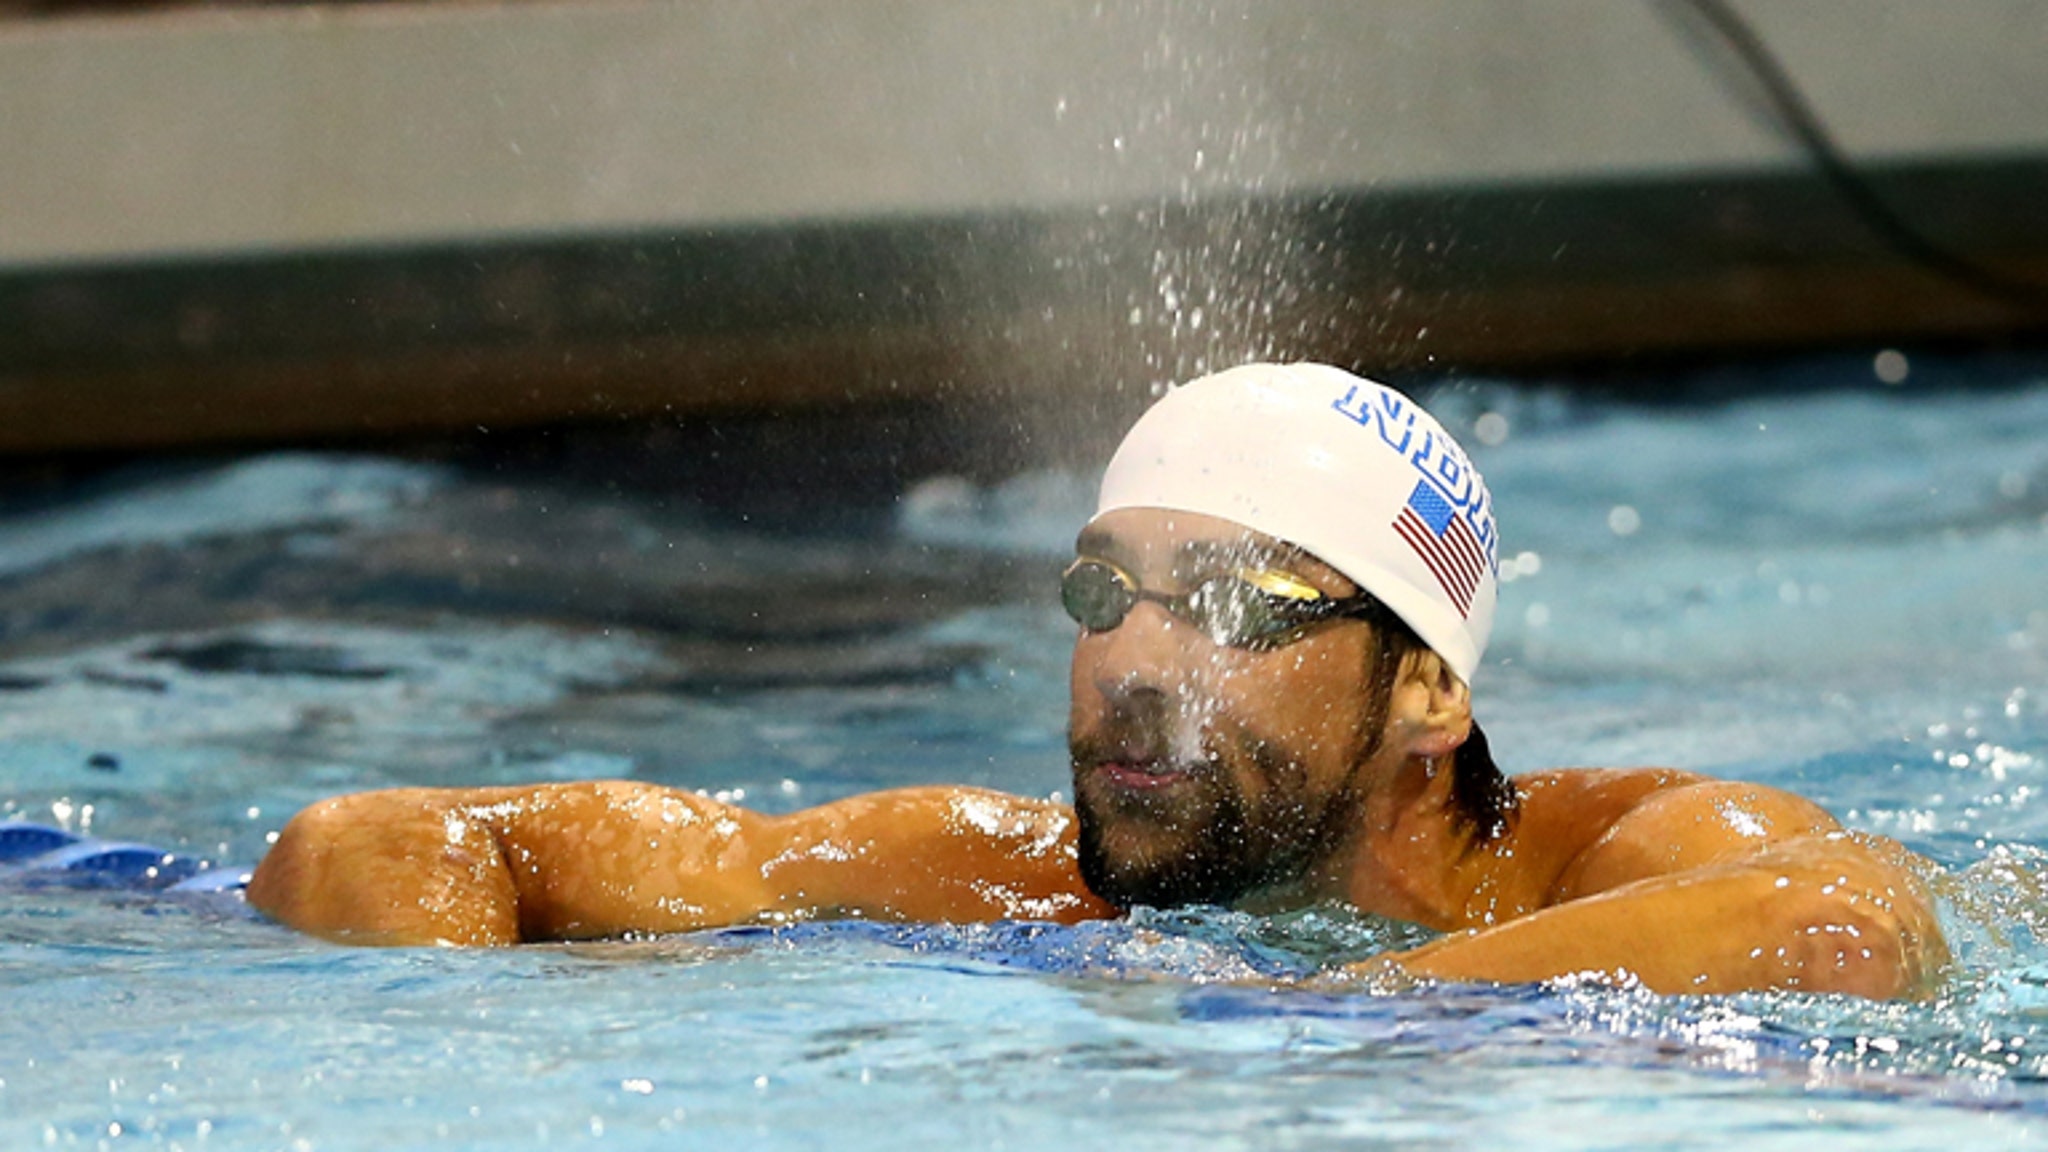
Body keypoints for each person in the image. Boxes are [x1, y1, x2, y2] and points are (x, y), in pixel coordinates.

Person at [247, 362, 1946, 998]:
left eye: (1232, 603)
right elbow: (374, 843)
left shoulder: (1607, 854)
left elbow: (1845, 924)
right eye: (1104, 590)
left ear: (1428, 689)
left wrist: (1319, 1024)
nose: (1137, 664)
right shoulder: (990, 881)